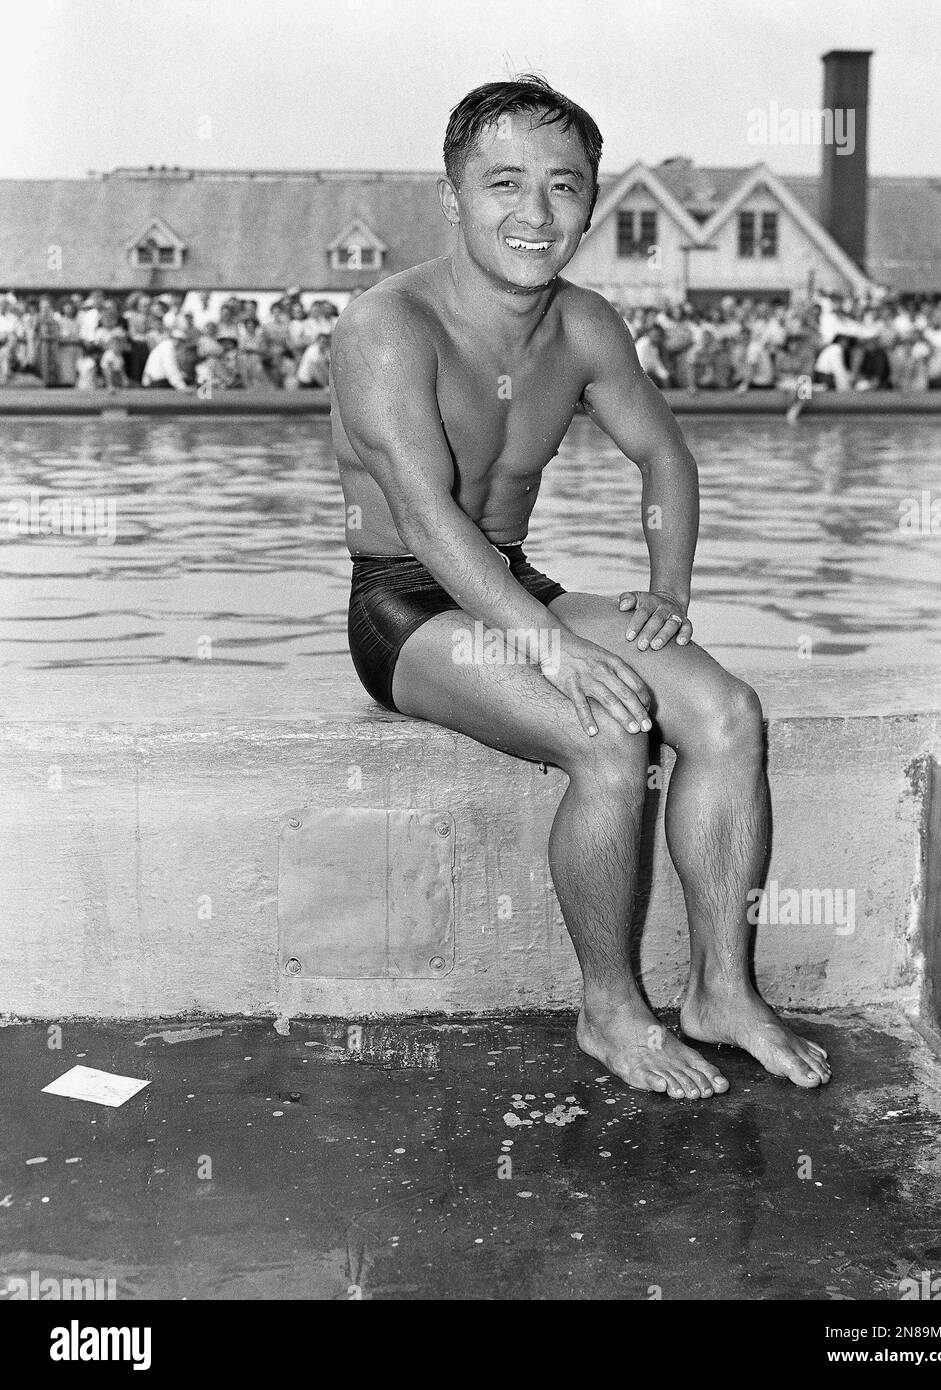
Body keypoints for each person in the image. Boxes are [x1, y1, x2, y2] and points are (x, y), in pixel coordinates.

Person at [330, 75, 831, 1100]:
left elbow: (664, 453)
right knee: (608, 732)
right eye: (503, 182)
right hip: (405, 603)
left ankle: (719, 993)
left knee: (728, 713)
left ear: (593, 200)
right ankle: (610, 1009)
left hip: (510, 577)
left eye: (564, 186)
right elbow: (426, 520)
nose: (536, 213)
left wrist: (668, 586)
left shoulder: (585, 326)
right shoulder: (386, 326)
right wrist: (550, 645)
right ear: (452, 195)